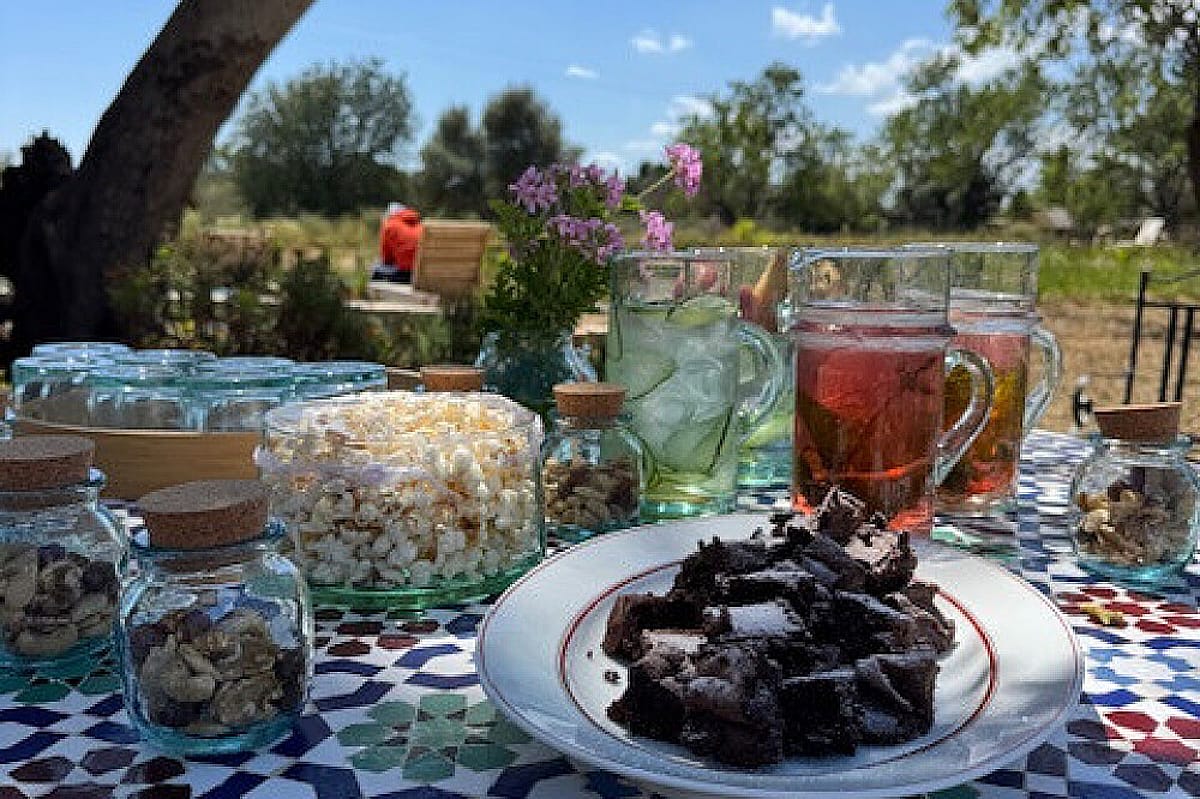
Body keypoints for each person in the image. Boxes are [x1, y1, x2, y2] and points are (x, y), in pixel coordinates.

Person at [376, 203, 424, 283]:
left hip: (404, 274)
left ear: (390, 215)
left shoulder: (390, 226)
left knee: (376, 267)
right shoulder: (422, 227)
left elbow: (386, 259)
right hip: (422, 274)